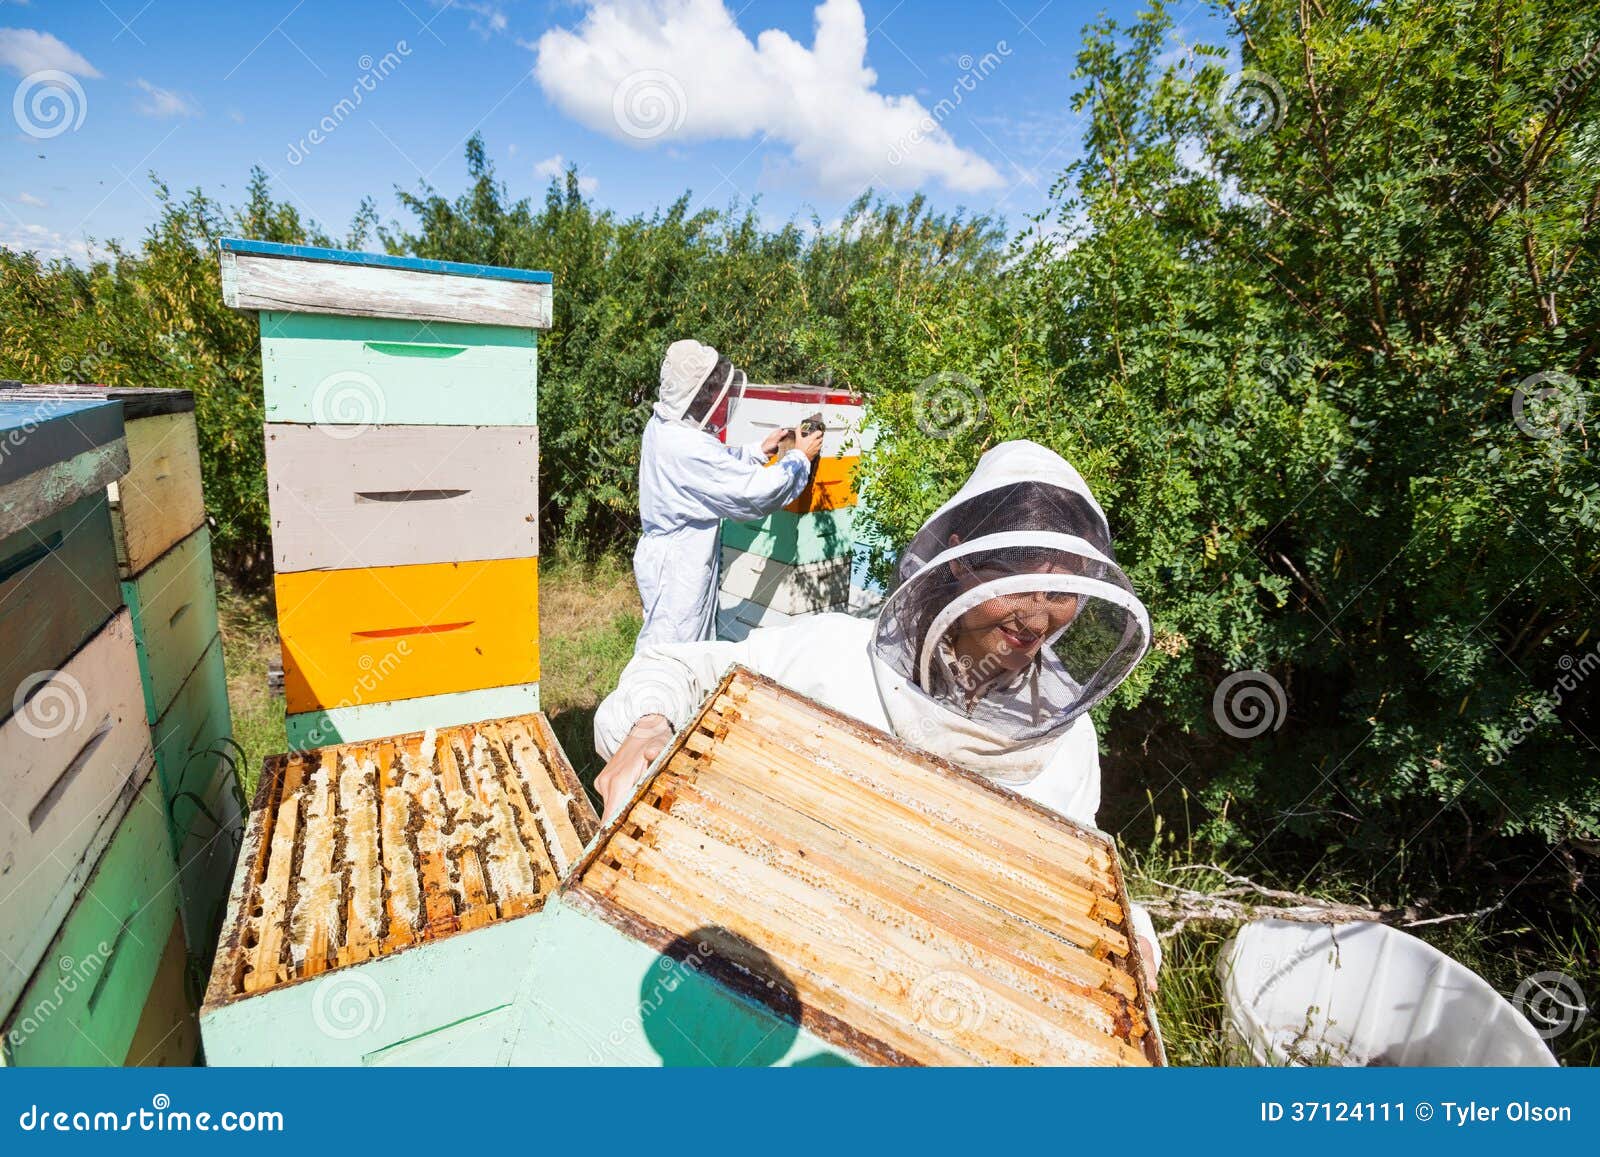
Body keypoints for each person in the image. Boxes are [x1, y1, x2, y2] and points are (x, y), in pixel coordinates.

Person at [594, 439, 1164, 986]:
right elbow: (680, 669)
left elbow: (1075, 859)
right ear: (962, 561)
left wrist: (1130, 932)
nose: (1038, 623)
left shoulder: (1068, 740)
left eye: (1061, 593)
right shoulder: (834, 656)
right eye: (1017, 587)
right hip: (768, 961)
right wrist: (651, 721)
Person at [632, 339, 824, 652]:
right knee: (671, 654)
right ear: (692, 394)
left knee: (681, 646)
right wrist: (799, 458)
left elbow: (713, 464)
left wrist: (758, 451)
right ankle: (650, 701)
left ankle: (678, 700)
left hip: (673, 555)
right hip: (679, 564)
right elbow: (756, 494)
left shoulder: (664, 425)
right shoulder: (686, 447)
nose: (714, 399)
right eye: (709, 391)